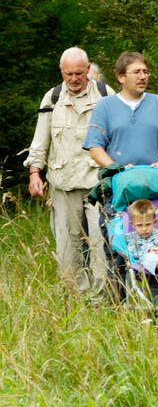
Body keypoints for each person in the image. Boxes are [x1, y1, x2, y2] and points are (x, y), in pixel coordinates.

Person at [24, 47, 114, 298]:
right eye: (68, 74)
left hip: (98, 183)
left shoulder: (106, 96)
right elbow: (40, 140)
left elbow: (117, 138)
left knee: (101, 243)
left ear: (87, 70)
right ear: (61, 72)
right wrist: (34, 173)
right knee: (66, 247)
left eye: (78, 73)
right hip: (62, 183)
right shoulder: (51, 98)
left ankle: (101, 299)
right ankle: (79, 296)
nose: (74, 79)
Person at [84, 52, 158, 169]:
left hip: (156, 180)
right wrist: (117, 169)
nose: (142, 77)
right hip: (117, 181)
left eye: (145, 72)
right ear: (121, 77)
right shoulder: (104, 105)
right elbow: (95, 148)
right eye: (137, 72)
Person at [125, 199, 158, 278]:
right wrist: (149, 250)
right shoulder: (131, 237)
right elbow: (131, 251)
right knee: (148, 258)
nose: (144, 229)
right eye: (139, 225)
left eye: (148, 224)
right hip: (145, 258)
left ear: (155, 222)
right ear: (132, 225)